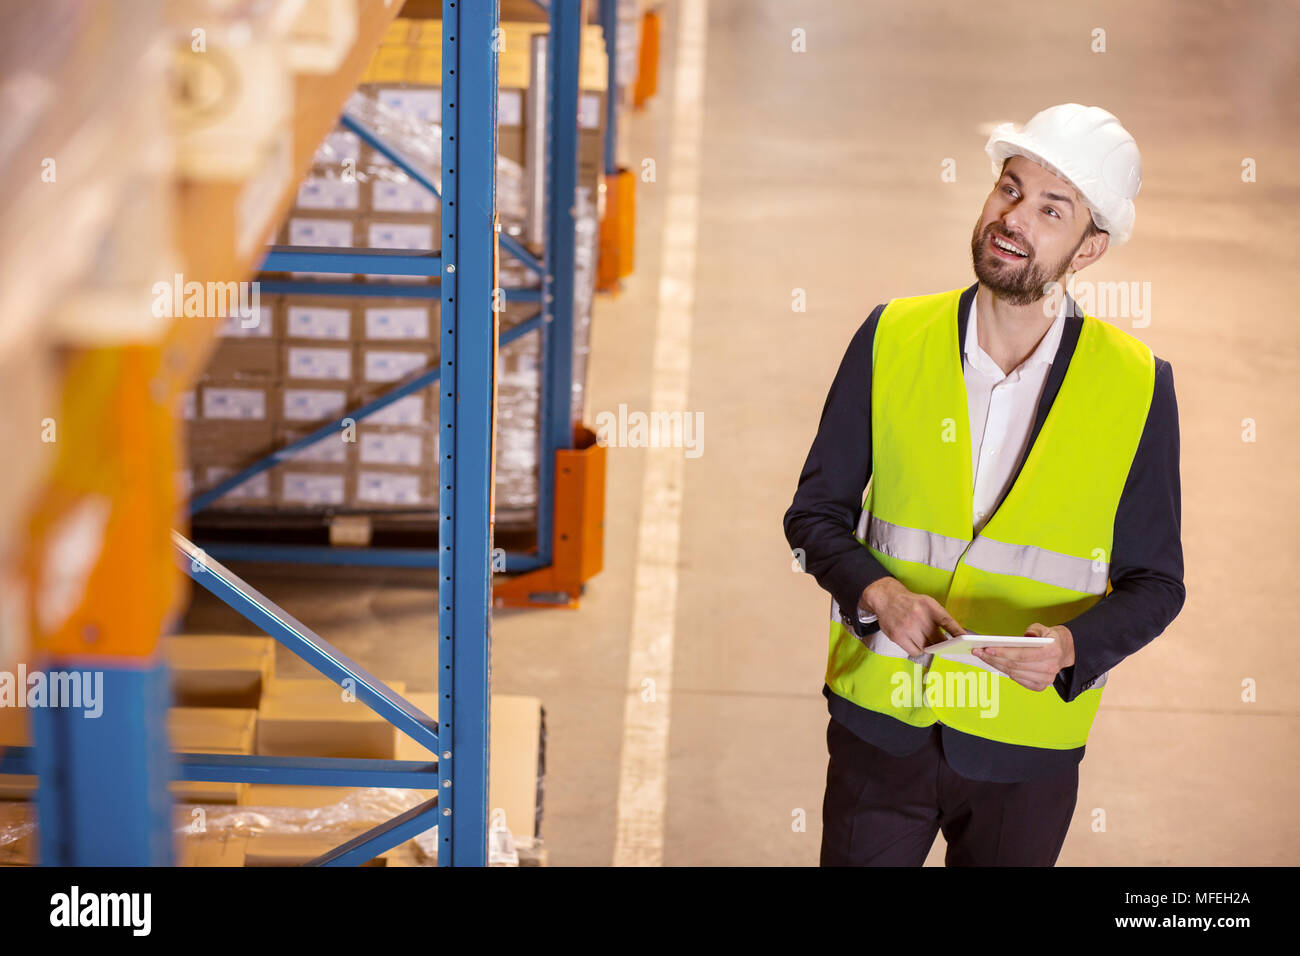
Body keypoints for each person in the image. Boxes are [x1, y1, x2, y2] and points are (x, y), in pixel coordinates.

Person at [783, 104, 1184, 866]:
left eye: (1049, 209)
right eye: (1009, 188)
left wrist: (1071, 647)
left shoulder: (1136, 387)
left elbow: (1156, 582)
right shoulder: (892, 336)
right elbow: (815, 515)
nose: (1013, 219)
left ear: (1088, 248)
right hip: (882, 730)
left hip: (1023, 756)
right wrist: (879, 596)